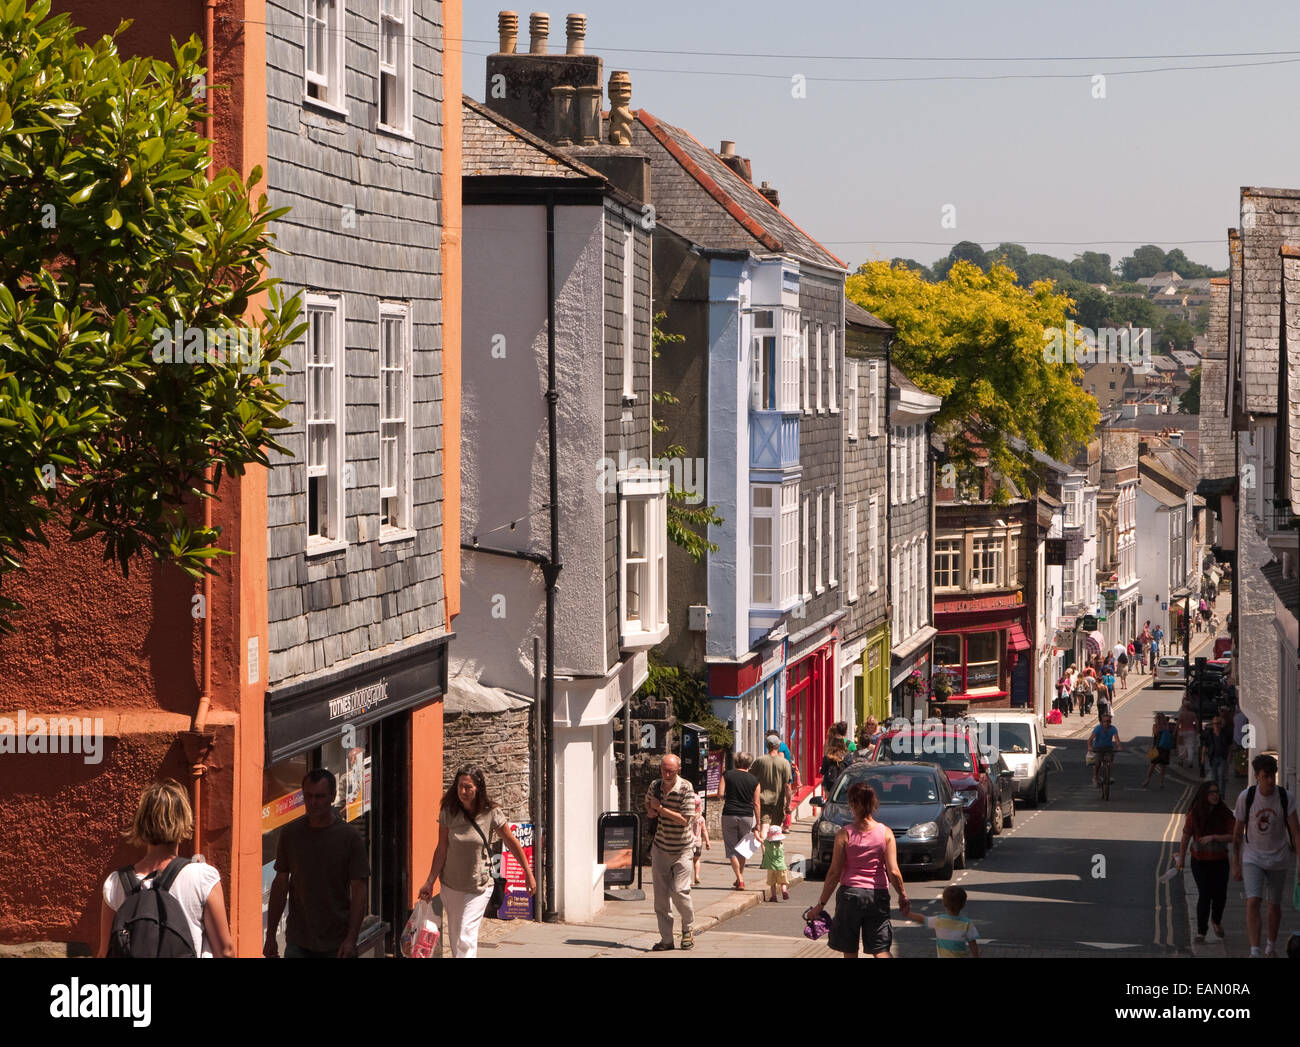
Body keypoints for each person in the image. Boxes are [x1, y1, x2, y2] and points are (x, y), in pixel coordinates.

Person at [100, 779, 234, 958]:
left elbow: (104, 953)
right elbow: (225, 952)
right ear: (183, 821)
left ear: (141, 822)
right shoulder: (201, 878)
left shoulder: (115, 882)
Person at [418, 765, 535, 959]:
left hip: (479, 885)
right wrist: (430, 882)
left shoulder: (491, 812)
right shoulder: (448, 812)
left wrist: (528, 873)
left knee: (465, 935)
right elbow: (441, 848)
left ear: (478, 788)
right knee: (456, 938)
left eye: (468, 787)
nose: (463, 792)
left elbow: (511, 842)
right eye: (460, 787)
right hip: (451, 885)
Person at [265, 769, 368, 958]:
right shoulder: (291, 834)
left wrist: (351, 938)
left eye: (320, 796)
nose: (313, 802)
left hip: (335, 942)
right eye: (308, 796)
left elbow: (359, 890)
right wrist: (270, 934)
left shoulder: (349, 838)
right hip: (298, 939)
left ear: (333, 797)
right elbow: (280, 884)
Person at [806, 781, 909, 958]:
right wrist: (902, 895)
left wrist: (821, 904)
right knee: (881, 948)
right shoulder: (886, 833)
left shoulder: (845, 834)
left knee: (850, 949)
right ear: (874, 804)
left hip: (850, 896)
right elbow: (893, 871)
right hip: (877, 895)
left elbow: (834, 873)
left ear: (853, 804)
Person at [1232, 754, 1300, 958]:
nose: (1271, 780)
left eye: (1273, 775)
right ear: (1257, 776)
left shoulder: (1285, 797)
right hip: (1252, 857)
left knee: (1274, 904)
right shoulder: (1247, 797)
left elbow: (1296, 832)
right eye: (1266, 776)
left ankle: (1270, 946)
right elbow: (1237, 833)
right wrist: (1236, 863)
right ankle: (1255, 950)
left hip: (1279, 858)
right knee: (1253, 901)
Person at [644, 754, 697, 951]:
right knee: (660, 899)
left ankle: (688, 929)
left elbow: (685, 819)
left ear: (678, 770)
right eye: (664, 770)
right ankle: (666, 940)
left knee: (679, 892)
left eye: (671, 771)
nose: (666, 774)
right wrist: (650, 810)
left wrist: (661, 809)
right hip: (660, 847)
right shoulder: (655, 785)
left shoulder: (686, 787)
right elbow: (648, 803)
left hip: (682, 848)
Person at [1176, 781, 1234, 943]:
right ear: (1204, 795)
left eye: (1217, 792)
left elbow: (1234, 836)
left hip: (1220, 860)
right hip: (1200, 861)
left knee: (1220, 895)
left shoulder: (1224, 813)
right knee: (1205, 893)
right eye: (1211, 792)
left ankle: (1216, 920)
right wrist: (1181, 858)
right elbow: (1186, 836)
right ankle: (1201, 931)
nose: (1215, 795)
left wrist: (1215, 837)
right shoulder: (1194, 813)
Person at [718, 752, 761, 890]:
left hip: (729, 813)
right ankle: (739, 878)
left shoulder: (727, 775)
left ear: (736, 762)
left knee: (731, 849)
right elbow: (756, 803)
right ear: (749, 764)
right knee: (743, 849)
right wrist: (758, 823)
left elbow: (720, 794)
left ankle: (740, 878)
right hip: (747, 815)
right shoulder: (755, 781)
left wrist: (729, 799)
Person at [903, 884, 980, 958]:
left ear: (944, 903)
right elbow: (973, 944)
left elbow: (922, 919)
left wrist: (908, 913)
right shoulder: (967, 923)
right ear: (963, 904)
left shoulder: (939, 920)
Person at [752, 735, 793, 828]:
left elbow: (750, 778)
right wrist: (788, 805)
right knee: (776, 830)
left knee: (764, 826)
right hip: (778, 802)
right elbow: (787, 786)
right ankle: (772, 842)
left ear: (767, 746)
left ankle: (763, 840)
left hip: (763, 800)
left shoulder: (760, 760)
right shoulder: (784, 763)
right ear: (778, 746)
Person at [1088, 713, 1122, 788]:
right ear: (1101, 722)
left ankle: (1108, 776)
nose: (1107, 723)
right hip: (1098, 747)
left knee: (1109, 761)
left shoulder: (1113, 728)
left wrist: (1119, 746)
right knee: (1097, 763)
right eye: (1105, 721)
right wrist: (1090, 747)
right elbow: (1090, 740)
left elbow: (1117, 740)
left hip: (1108, 747)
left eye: (1109, 721)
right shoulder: (1098, 728)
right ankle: (1095, 777)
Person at [760, 819, 789, 902]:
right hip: (782, 867)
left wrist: (756, 834)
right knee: (783, 882)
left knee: (772, 884)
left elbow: (761, 840)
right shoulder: (781, 845)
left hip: (771, 867)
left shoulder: (767, 845)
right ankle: (784, 891)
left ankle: (774, 896)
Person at [1142, 714, 1174, 789]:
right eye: (1157, 718)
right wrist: (1162, 726)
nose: (1159, 720)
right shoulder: (1155, 726)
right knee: (1152, 765)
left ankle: (1161, 782)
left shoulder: (1166, 726)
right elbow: (1155, 733)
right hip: (1156, 748)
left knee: (1163, 766)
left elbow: (1169, 735)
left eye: (1160, 718)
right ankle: (1148, 780)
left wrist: (1164, 725)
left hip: (1164, 748)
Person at [689, 794, 710, 885]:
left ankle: (689, 879)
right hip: (698, 843)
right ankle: (696, 876)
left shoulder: (688, 817)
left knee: (688, 861)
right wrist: (707, 842)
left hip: (688, 842)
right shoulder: (701, 818)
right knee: (696, 860)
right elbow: (704, 830)